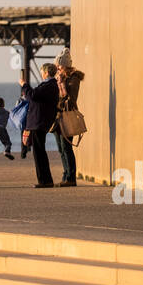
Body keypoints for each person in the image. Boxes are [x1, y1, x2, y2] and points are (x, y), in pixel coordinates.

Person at [20, 64, 59, 188]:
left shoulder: (49, 85)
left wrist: (24, 85)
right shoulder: (50, 85)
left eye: (42, 71)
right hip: (40, 121)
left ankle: (45, 181)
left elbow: (32, 95)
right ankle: (45, 180)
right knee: (39, 151)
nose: (41, 73)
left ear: (47, 72)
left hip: (39, 122)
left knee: (39, 152)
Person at [53, 49, 85, 187]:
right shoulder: (60, 77)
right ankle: (65, 174)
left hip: (67, 115)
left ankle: (71, 177)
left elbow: (70, 99)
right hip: (57, 116)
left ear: (65, 65)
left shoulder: (74, 78)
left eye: (59, 66)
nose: (57, 68)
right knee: (61, 148)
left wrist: (61, 84)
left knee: (67, 147)